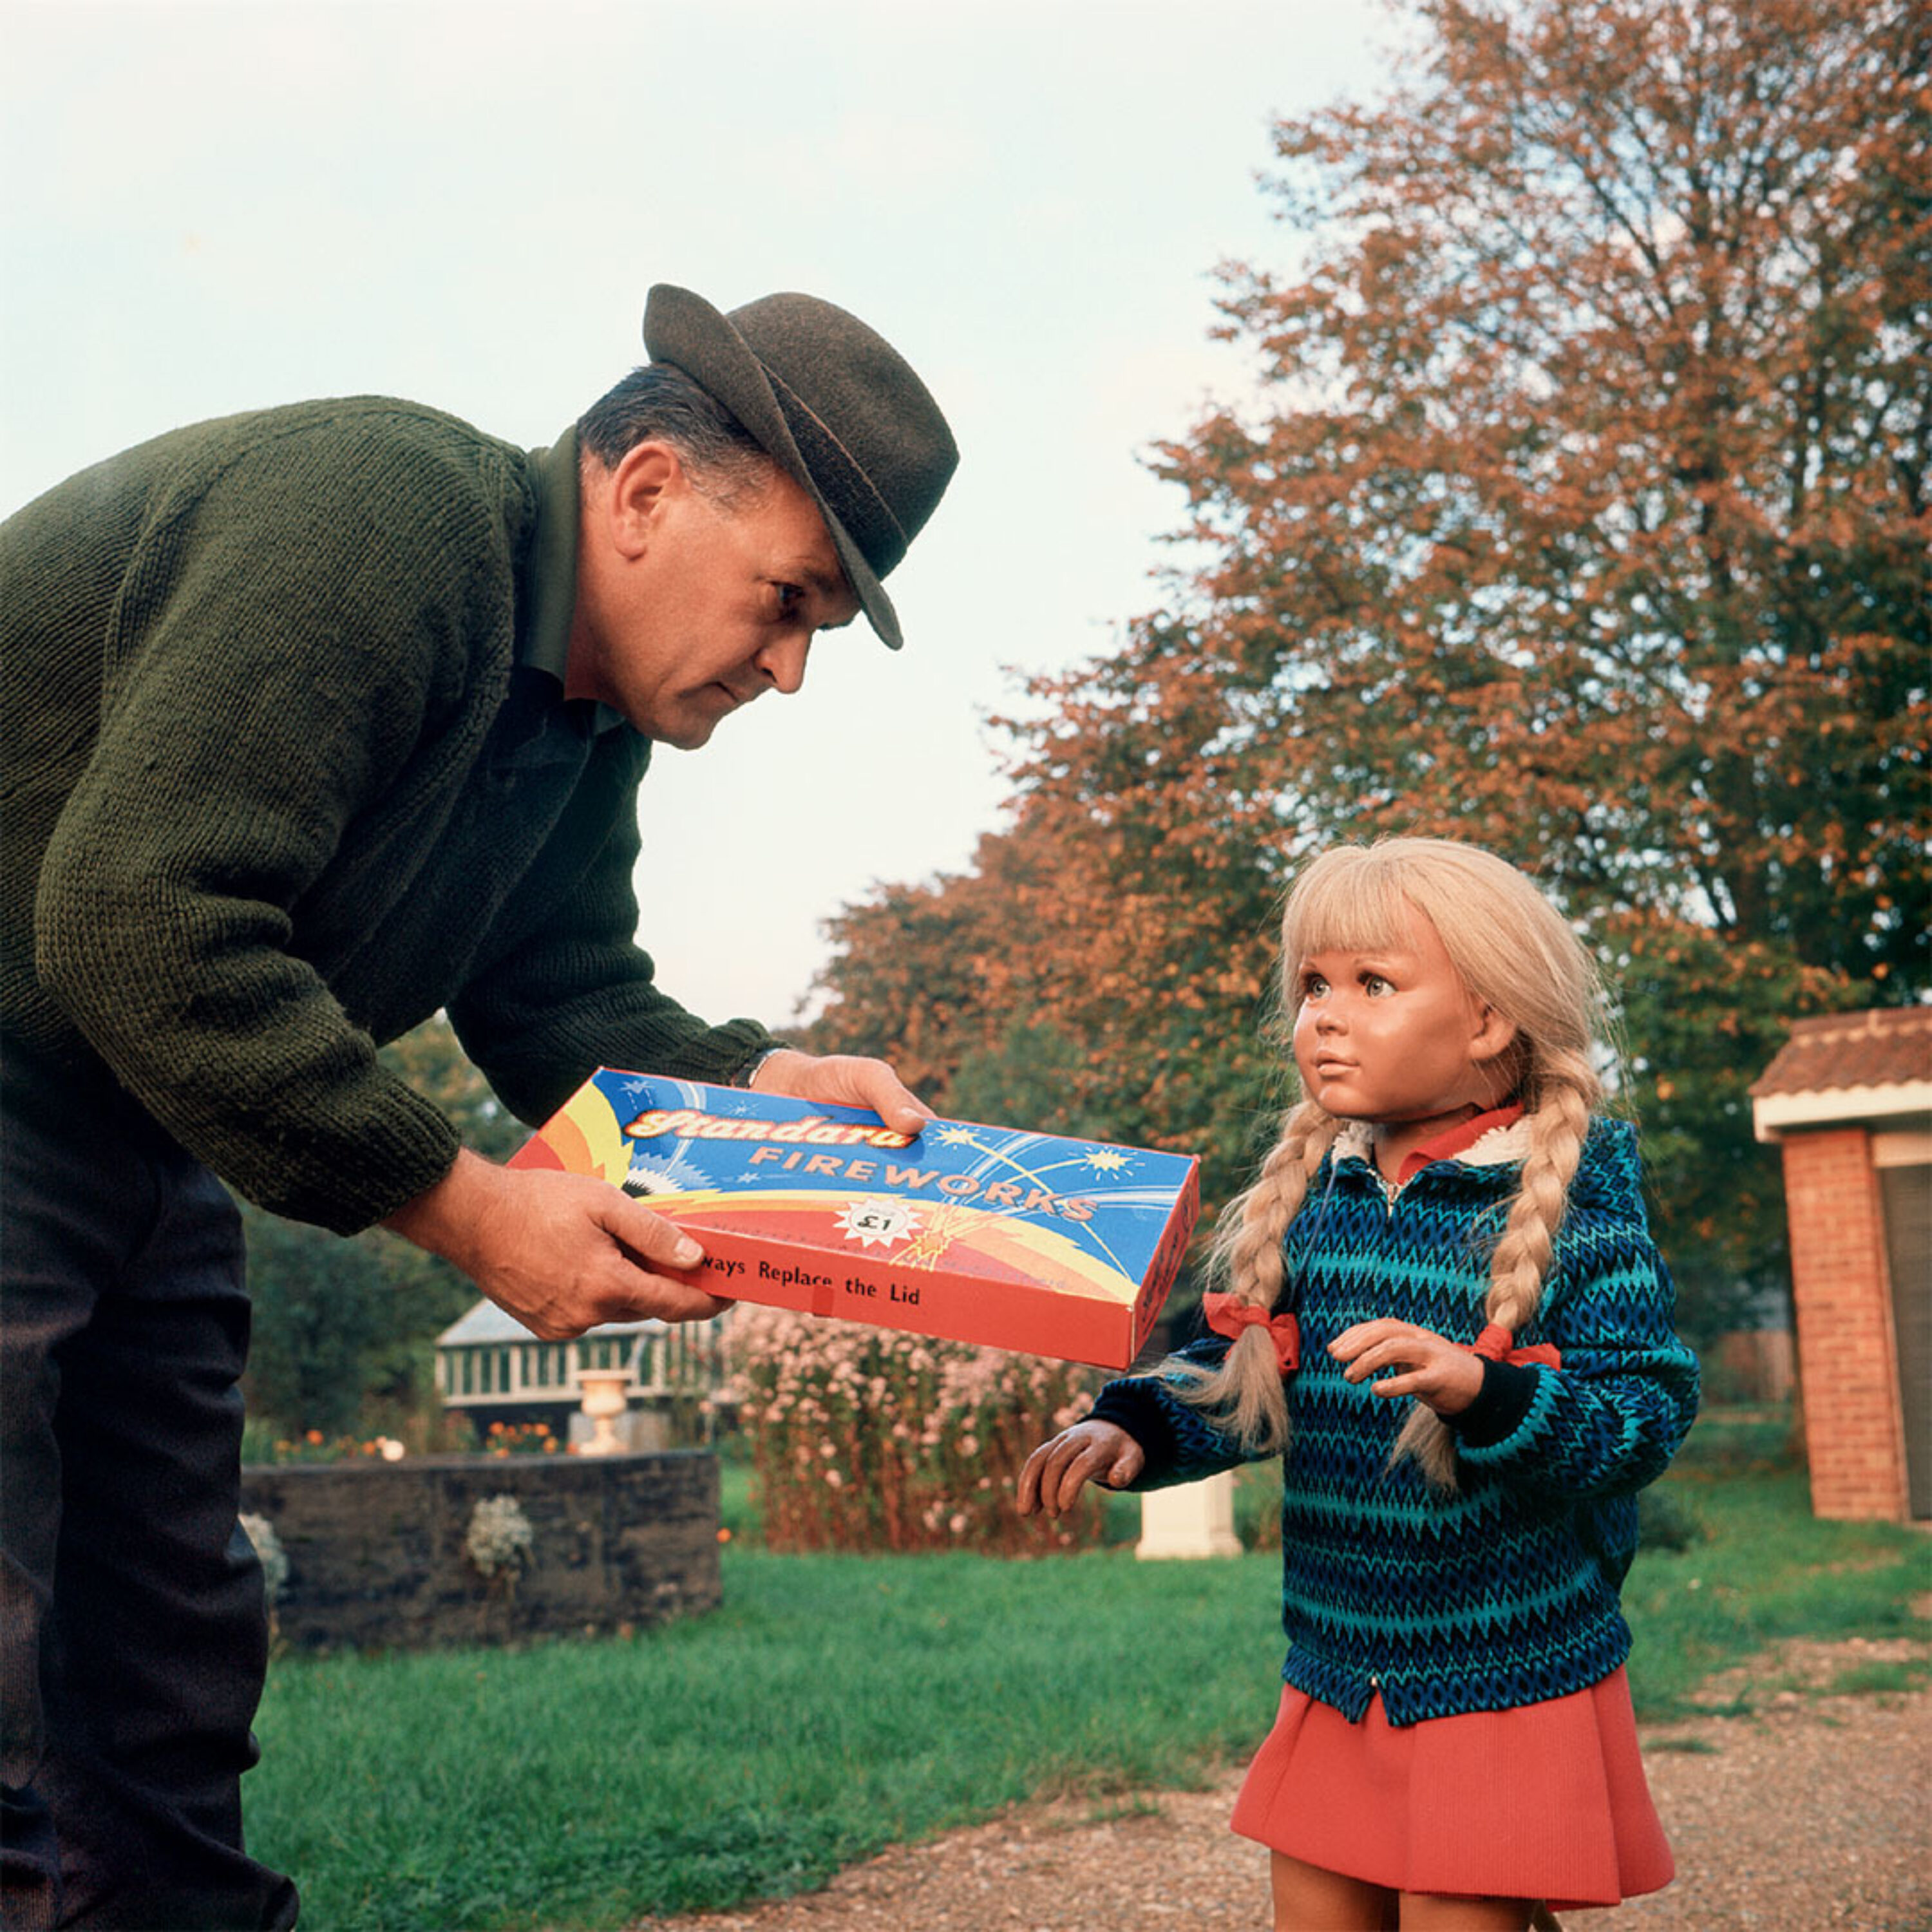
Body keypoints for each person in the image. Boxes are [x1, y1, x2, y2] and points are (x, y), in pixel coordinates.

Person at [1, 284, 957, 1929]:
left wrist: (756, 1091)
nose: (793, 670)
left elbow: (560, 995)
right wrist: (469, 1209)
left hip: (145, 1117)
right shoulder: (379, 524)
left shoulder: (586, 721)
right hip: (34, 1060)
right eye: (790, 599)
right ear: (645, 489)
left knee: (167, 1678)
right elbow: (140, 918)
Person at [1020, 837, 1700, 1932]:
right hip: (1338, 1664)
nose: (1324, 1018)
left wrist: (1486, 1392)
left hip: (1504, 1670)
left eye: (1373, 984)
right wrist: (1137, 1425)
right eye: (1313, 986)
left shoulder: (1581, 1224)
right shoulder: (1314, 1205)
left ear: (1488, 1022)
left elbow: (1642, 1422)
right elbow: (1244, 1372)